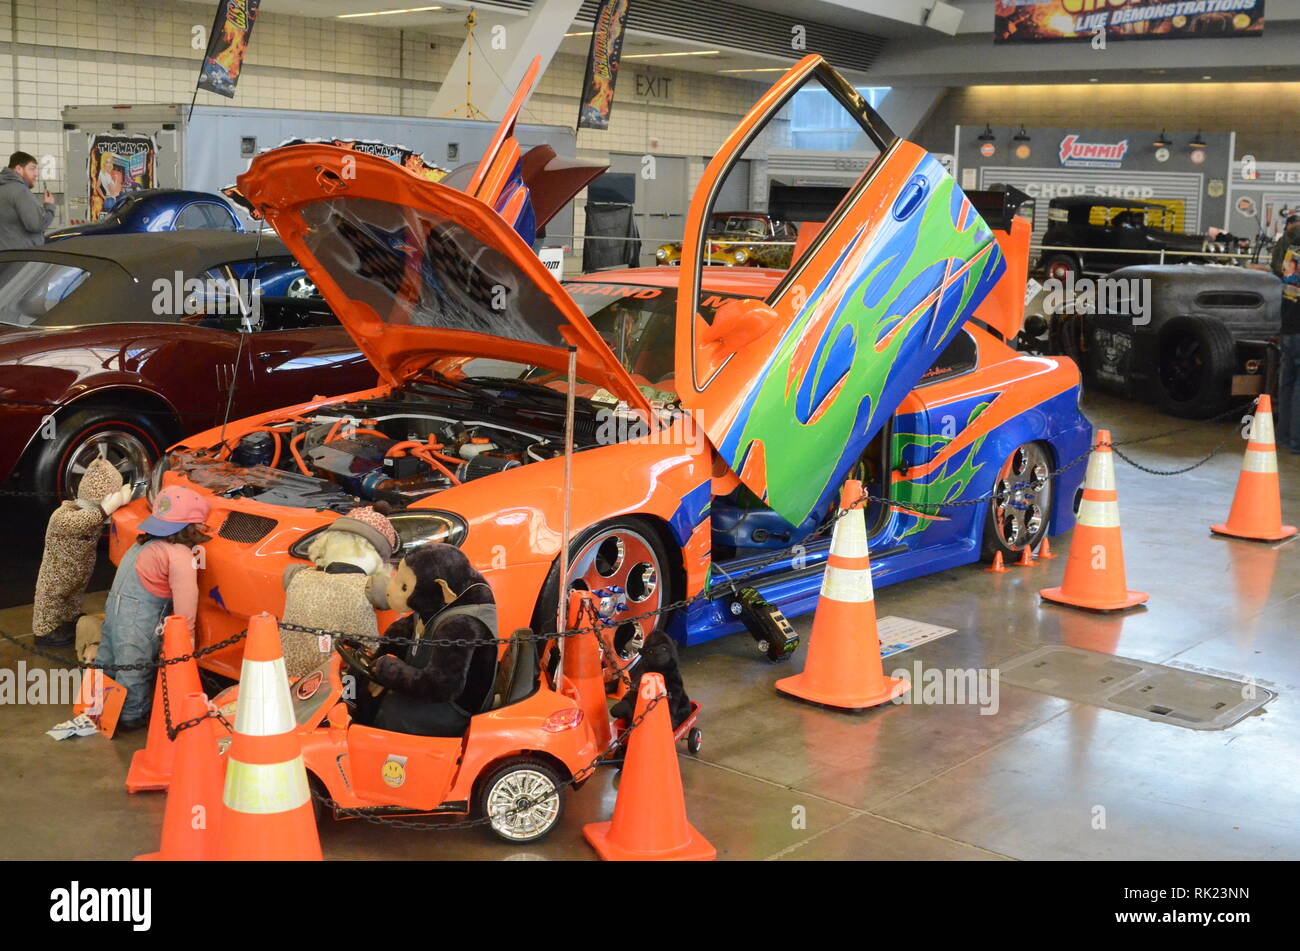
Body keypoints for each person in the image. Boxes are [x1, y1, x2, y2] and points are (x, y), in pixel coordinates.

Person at [96, 486, 211, 731]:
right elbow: (186, 600)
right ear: (191, 526)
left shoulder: (140, 544)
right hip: (139, 618)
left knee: (107, 658)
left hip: (114, 610)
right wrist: (186, 637)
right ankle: (132, 715)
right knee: (133, 664)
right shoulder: (179, 555)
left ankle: (96, 706)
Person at [1276, 226, 1300, 454]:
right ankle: (1296, 441)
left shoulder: (1290, 255)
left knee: (1287, 383)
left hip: (1288, 325)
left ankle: (1284, 437)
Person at [0, 151, 54, 250]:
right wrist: (49, 206)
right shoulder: (20, 190)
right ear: (18, 169)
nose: (36, 174)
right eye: (32, 169)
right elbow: (36, 225)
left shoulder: (3, 187)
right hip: (20, 258)